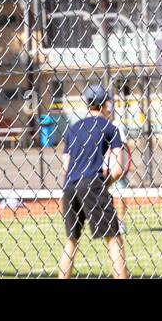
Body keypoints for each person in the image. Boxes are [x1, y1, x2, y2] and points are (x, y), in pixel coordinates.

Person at [57, 85, 128, 279]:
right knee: (114, 238)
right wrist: (105, 184)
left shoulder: (73, 129)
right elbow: (118, 168)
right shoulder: (110, 128)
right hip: (92, 183)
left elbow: (65, 166)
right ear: (105, 104)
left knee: (71, 240)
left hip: (69, 185)